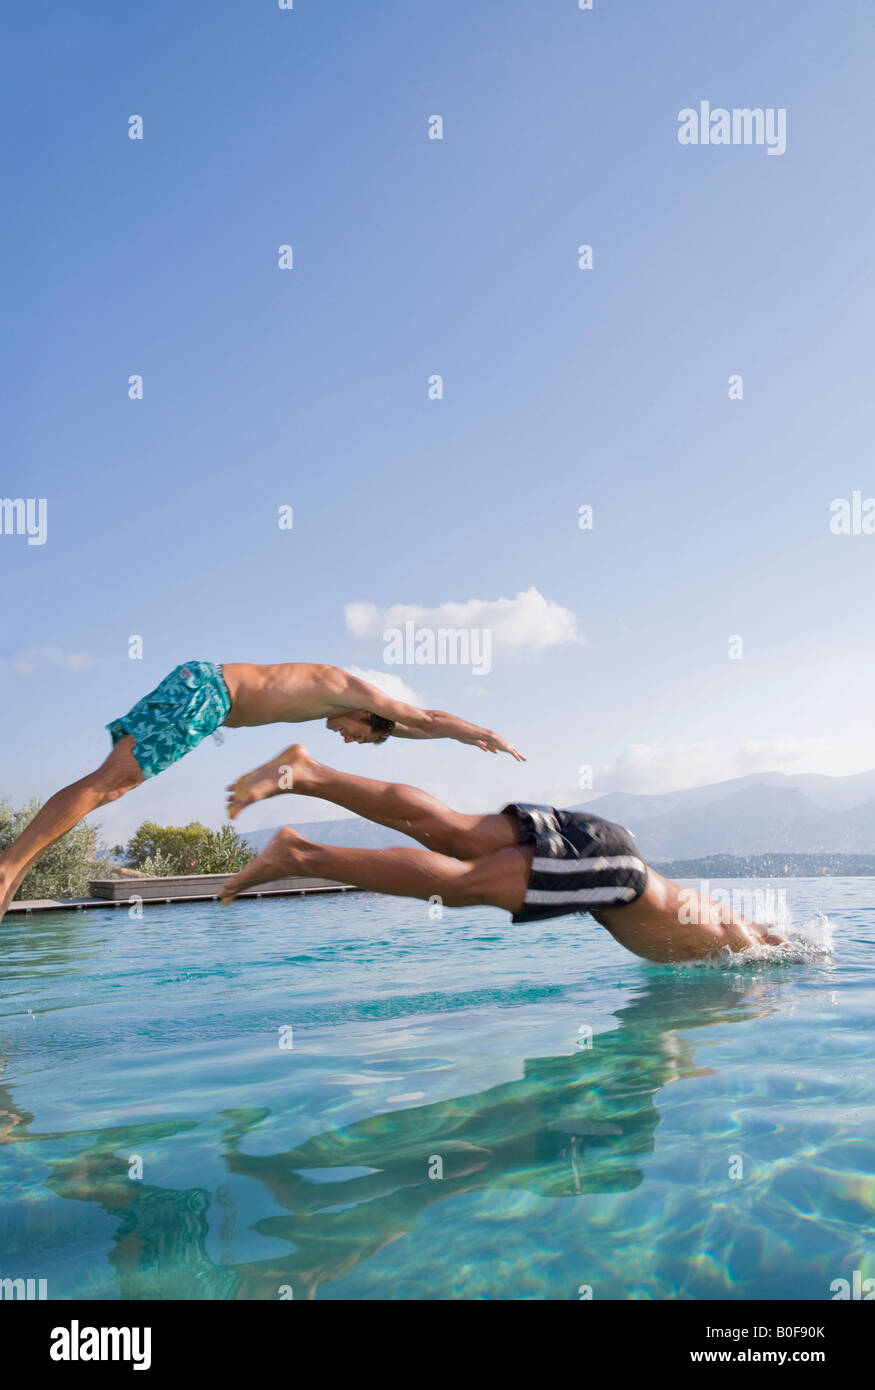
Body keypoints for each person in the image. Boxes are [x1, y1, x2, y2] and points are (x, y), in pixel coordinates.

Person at [0, 661, 523, 923]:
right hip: (206, 696)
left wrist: (447, 735)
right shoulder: (355, 690)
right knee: (107, 786)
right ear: (369, 713)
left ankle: (13, 873)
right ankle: (9, 864)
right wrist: (482, 732)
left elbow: (412, 728)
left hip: (198, 686)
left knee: (108, 787)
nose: (345, 737)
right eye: (356, 734)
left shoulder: (338, 699)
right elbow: (425, 717)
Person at [219, 745, 785, 964]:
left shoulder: (739, 929)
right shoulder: (753, 957)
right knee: (464, 883)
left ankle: (310, 772)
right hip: (615, 877)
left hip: (607, 845)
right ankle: (301, 855)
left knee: (452, 831)